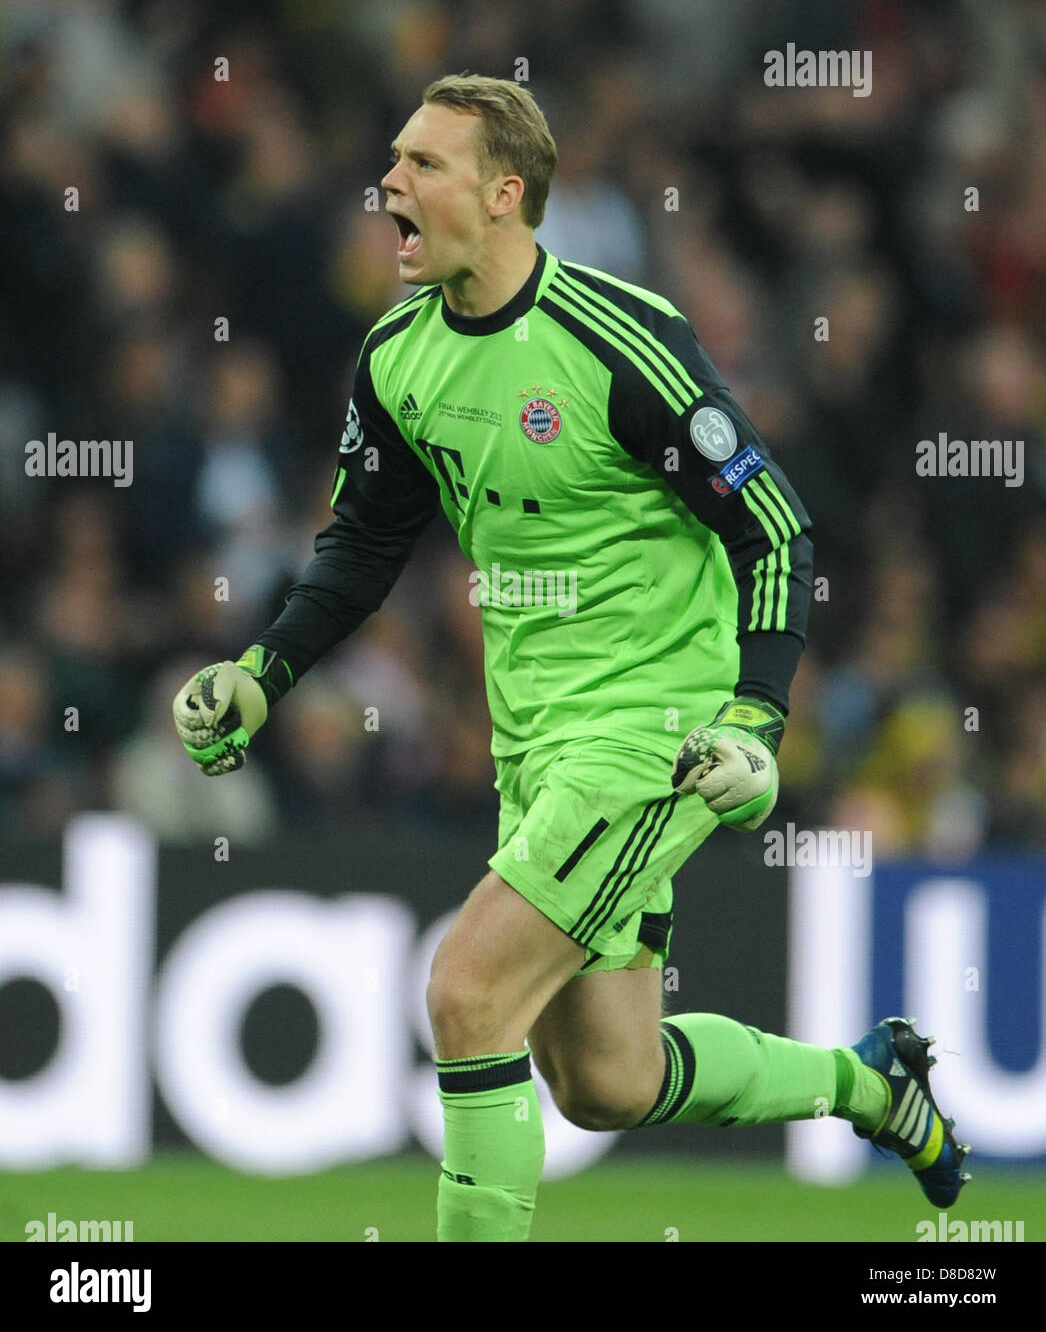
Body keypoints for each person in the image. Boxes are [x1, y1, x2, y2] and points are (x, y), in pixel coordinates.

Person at [173, 74, 968, 1241]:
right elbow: (359, 547)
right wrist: (262, 670)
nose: (387, 181)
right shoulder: (397, 359)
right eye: (392, 157)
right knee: (607, 1080)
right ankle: (868, 1084)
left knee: (465, 989)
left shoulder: (621, 343)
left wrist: (753, 718)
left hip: (661, 733)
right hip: (536, 742)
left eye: (420, 164)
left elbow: (775, 526)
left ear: (503, 196)